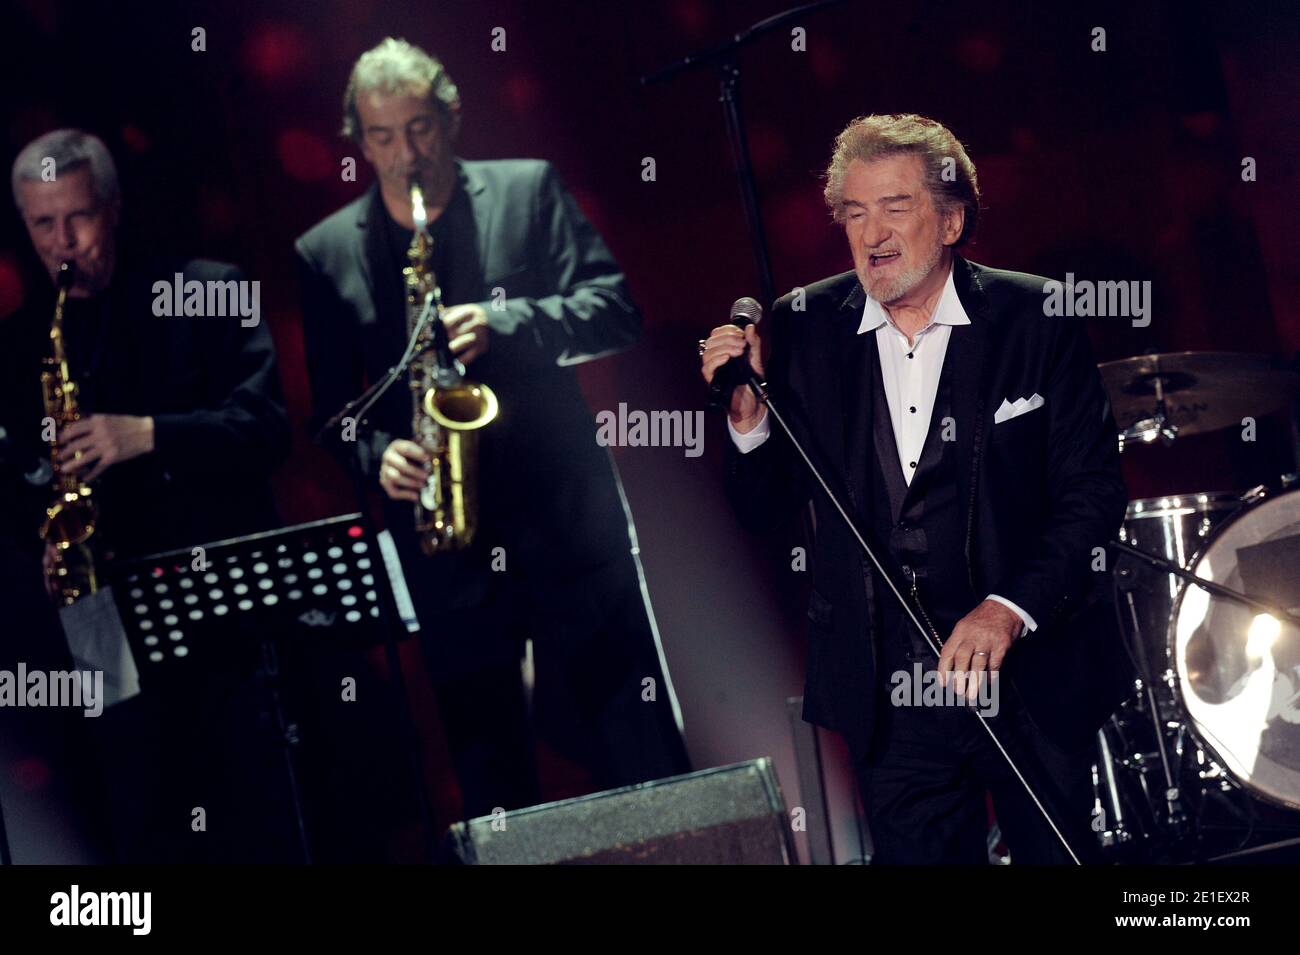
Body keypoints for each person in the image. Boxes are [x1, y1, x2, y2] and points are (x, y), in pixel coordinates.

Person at [702, 113, 1132, 864]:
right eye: (854, 213)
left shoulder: (1035, 317)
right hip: (888, 693)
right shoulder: (803, 328)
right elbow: (763, 511)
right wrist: (746, 417)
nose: (873, 233)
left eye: (895, 206)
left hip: (1028, 678)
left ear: (953, 217)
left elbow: (1091, 495)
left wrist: (1007, 609)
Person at [296, 38, 690, 819]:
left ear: (451, 118)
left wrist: (509, 321)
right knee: (489, 774)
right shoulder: (326, 252)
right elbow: (331, 416)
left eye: (420, 128)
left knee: (635, 742)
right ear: (360, 141)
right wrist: (378, 456)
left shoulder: (528, 191)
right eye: (382, 137)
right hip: (450, 549)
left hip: (569, 530)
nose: (405, 154)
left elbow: (616, 311)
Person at [1, 128, 290, 862]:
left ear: (115, 206)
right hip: (96, 613)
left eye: (79, 217)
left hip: (216, 601)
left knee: (249, 807)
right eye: (43, 224)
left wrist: (149, 433)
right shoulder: (15, 344)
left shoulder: (206, 287)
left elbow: (266, 430)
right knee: (143, 817)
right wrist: (37, 540)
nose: (63, 242)